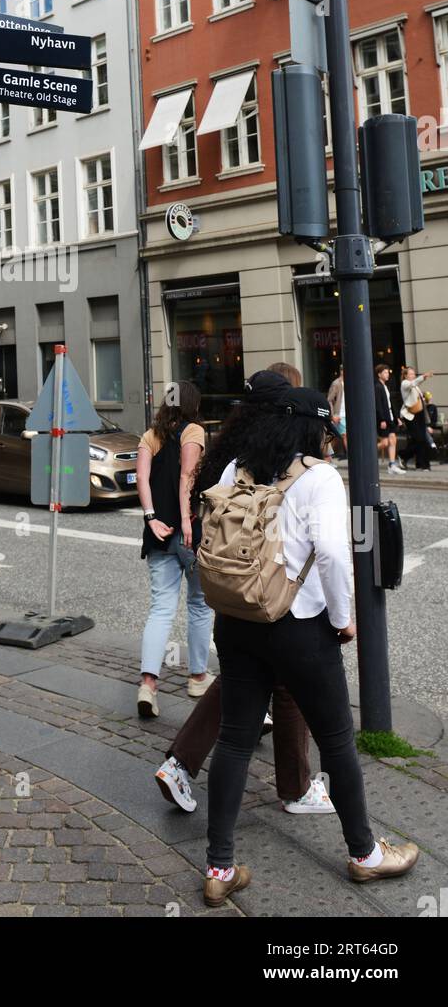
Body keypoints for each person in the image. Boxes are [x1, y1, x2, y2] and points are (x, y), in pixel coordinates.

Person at [201, 374, 418, 907]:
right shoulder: (319, 478)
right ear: (309, 431)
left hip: (235, 619)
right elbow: (334, 555)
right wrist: (344, 620)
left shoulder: (236, 468)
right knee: (338, 740)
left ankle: (219, 866)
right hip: (297, 626)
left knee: (232, 739)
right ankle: (365, 855)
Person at [155, 368, 332, 819]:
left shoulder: (230, 449)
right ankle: (295, 792)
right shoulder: (273, 452)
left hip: (227, 583)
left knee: (252, 682)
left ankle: (183, 765)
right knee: (277, 687)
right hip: (266, 593)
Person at [136, 381, 213, 716]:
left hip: (157, 534)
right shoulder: (193, 431)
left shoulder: (150, 436)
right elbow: (188, 475)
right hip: (190, 533)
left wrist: (152, 518)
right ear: (192, 405)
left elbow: (140, 479)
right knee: (199, 604)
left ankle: (148, 685)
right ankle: (197, 676)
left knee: (161, 609)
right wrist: (186, 520)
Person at [399, 366, 435, 471]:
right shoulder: (405, 383)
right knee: (419, 439)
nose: (413, 375)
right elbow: (413, 383)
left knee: (421, 439)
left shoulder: (416, 387)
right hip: (410, 415)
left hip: (419, 415)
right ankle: (404, 456)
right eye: (410, 374)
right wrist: (424, 376)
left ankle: (421, 464)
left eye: (413, 374)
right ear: (405, 375)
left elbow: (419, 399)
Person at [375, 364, 404, 475]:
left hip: (390, 418)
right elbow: (378, 405)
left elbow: (390, 404)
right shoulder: (377, 387)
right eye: (385, 372)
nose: (387, 374)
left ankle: (392, 464)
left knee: (393, 440)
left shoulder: (385, 386)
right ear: (379, 374)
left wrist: (396, 418)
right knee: (384, 443)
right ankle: (368, 453)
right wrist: (382, 419)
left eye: (388, 372)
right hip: (384, 419)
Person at [327, 364, 347, 457]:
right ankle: (353, 458)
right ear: (341, 371)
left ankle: (327, 456)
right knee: (345, 435)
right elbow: (329, 399)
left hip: (348, 414)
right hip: (339, 414)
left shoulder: (351, 382)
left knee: (335, 437)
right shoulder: (336, 383)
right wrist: (333, 415)